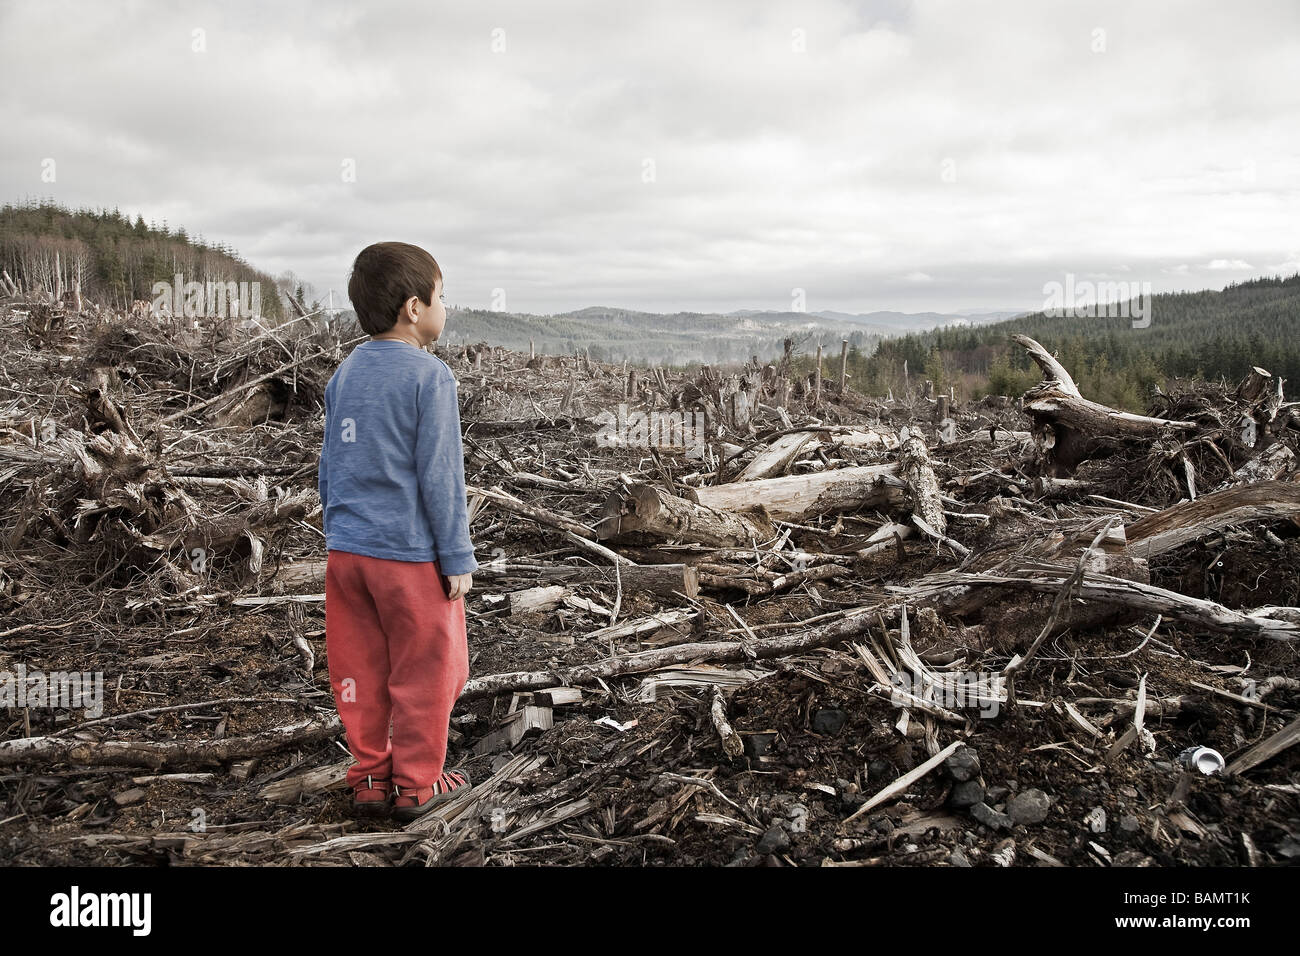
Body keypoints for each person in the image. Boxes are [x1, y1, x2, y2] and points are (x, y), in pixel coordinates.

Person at [318, 241, 477, 821]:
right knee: (430, 667)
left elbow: (330, 464)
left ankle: (368, 776)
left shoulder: (346, 373)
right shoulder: (430, 377)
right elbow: (441, 475)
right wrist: (455, 556)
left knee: (359, 669)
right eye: (443, 296)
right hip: (409, 559)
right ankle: (416, 784)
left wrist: (338, 528)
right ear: (415, 307)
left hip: (348, 555)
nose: (445, 307)